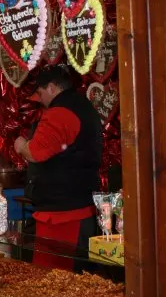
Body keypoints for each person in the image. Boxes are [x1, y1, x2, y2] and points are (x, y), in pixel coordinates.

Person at [13, 65, 102, 271]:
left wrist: (21, 146)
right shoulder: (83, 106)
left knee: (56, 280)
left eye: (41, 93)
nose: (41, 99)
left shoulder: (60, 113)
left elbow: (36, 152)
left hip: (64, 216)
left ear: (52, 88)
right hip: (78, 206)